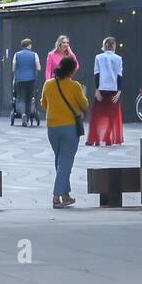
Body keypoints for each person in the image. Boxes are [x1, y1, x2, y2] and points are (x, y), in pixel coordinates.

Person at [40, 55, 87, 207]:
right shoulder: (75, 86)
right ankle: (57, 195)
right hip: (70, 127)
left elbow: (43, 104)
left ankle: (66, 194)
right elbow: (84, 105)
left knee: (60, 160)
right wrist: (84, 94)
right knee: (66, 161)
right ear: (71, 71)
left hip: (52, 127)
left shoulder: (48, 84)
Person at [88, 37, 124, 146]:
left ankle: (95, 138)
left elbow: (97, 74)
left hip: (102, 88)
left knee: (97, 115)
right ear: (114, 45)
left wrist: (97, 90)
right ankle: (108, 137)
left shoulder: (98, 57)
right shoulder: (118, 58)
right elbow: (119, 76)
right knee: (112, 115)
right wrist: (119, 92)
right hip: (113, 89)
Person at [11, 38, 42, 124]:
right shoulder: (34, 55)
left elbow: (13, 68)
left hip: (19, 80)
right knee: (29, 98)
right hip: (31, 80)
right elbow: (38, 68)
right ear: (29, 45)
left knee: (20, 99)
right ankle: (28, 117)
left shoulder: (16, 55)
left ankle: (23, 114)